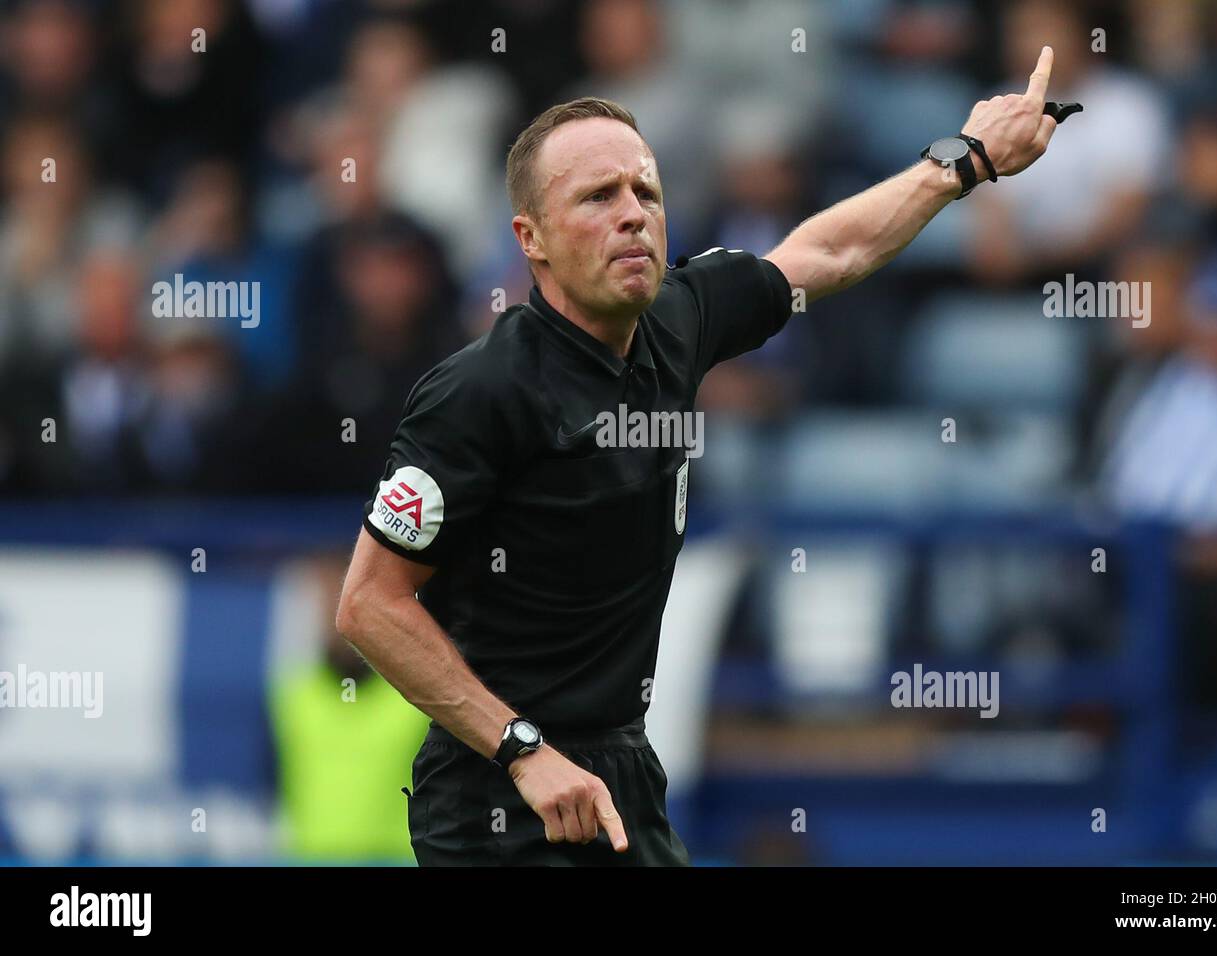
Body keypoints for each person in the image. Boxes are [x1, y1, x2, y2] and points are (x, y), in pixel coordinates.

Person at [335, 48, 1062, 865]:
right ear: (529, 239)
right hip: (498, 798)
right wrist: (521, 749)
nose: (633, 213)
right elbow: (369, 604)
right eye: (599, 196)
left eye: (646, 190)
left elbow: (825, 255)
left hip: (622, 771)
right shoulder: (479, 392)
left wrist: (961, 163)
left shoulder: (680, 320)